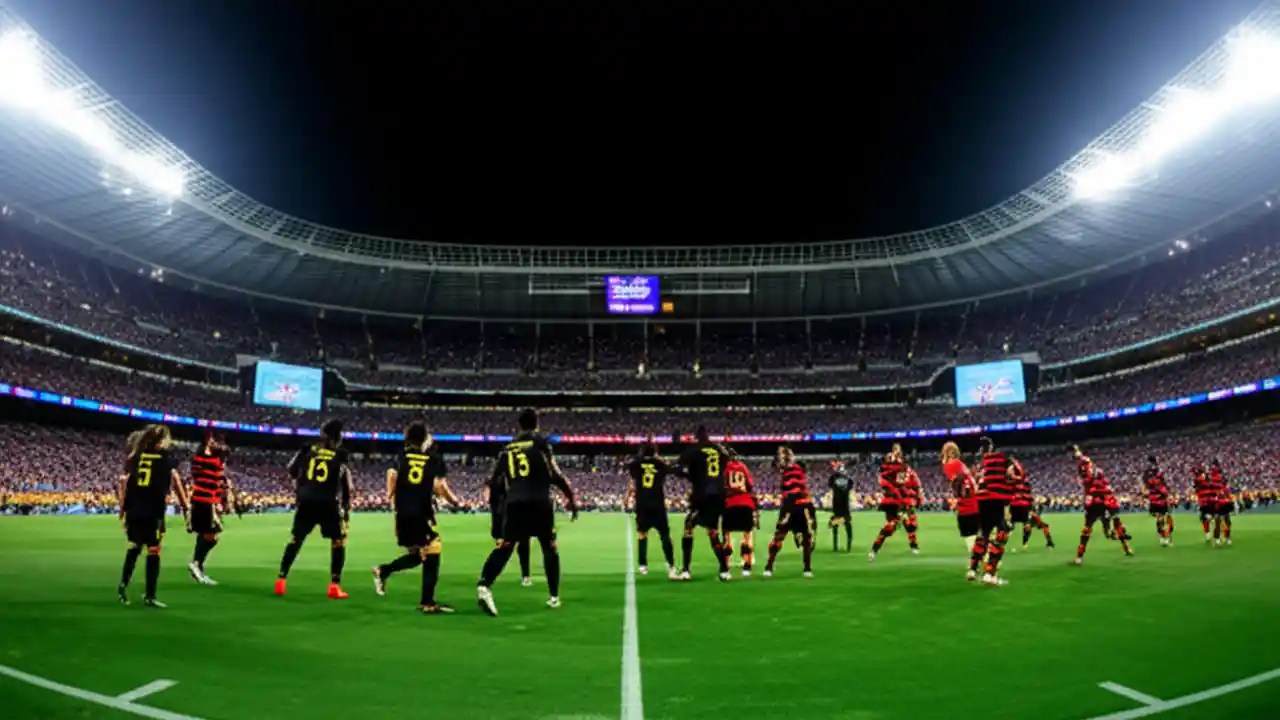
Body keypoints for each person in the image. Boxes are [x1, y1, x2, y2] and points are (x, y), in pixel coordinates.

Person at [477, 409, 578, 616]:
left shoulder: (507, 449)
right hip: (539, 501)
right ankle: (554, 596)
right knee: (549, 546)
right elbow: (555, 474)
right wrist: (571, 498)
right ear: (536, 424)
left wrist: (497, 510)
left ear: (520, 426)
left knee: (506, 546)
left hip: (514, 503)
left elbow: (495, 481)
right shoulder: (541, 444)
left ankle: (484, 585)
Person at [372, 421, 462, 614]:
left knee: (418, 555)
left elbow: (391, 474)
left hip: (403, 513)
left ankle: (383, 571)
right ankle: (427, 602)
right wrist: (454, 501)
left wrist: (391, 499)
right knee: (434, 549)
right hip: (422, 511)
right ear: (424, 439)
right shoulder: (432, 459)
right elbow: (439, 486)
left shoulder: (401, 457)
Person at [275, 419, 354, 599]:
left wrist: (303, 486)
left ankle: (281, 580)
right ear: (338, 435)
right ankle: (334, 585)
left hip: (306, 500)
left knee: (296, 539)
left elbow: (291, 470)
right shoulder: (340, 454)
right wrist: (346, 507)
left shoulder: (307, 448)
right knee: (338, 541)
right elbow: (346, 482)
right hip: (327, 502)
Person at [118, 424, 189, 608]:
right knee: (154, 550)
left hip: (134, 509)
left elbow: (127, 483)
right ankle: (150, 595)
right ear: (161, 440)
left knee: (134, 547)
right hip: (153, 510)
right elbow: (175, 481)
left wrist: (123, 509)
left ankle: (123, 586)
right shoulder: (165, 458)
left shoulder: (136, 456)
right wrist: (185, 506)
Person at [675, 426, 731, 581]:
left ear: (696, 437)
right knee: (713, 532)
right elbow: (727, 459)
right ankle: (724, 570)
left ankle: (686, 570)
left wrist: (691, 477)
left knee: (688, 526)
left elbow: (678, 468)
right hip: (719, 494)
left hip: (702, 494)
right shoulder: (718, 449)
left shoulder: (693, 449)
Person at [623, 439, 680, 580]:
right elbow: (670, 469)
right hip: (657, 503)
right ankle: (671, 565)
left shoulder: (635, 464)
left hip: (642, 504)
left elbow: (632, 478)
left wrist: (627, 497)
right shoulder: (660, 464)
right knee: (665, 535)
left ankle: (643, 565)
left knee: (642, 534)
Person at [187, 431, 236, 586]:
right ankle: (196, 563)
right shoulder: (203, 457)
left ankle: (198, 568)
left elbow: (218, 478)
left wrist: (223, 493)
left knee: (209, 534)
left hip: (209, 500)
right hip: (204, 500)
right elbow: (198, 475)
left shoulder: (218, 458)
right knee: (211, 534)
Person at [763, 447, 815, 578]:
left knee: (779, 537)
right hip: (801, 507)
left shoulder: (790, 472)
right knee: (806, 538)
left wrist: (787, 513)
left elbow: (793, 493)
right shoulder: (797, 470)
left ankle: (769, 566)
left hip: (792, 507)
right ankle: (807, 569)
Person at [969, 437, 1014, 586]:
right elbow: (1011, 474)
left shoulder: (979, 464)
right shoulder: (999, 458)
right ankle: (990, 573)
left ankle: (972, 570)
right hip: (995, 499)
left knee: (983, 534)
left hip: (981, 501)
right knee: (1002, 533)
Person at [1073, 463, 1134, 565]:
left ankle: (1079, 556)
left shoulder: (1092, 484)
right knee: (1111, 525)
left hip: (1097, 508)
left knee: (1088, 529)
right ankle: (1124, 545)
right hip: (1100, 508)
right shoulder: (1099, 484)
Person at [484, 464, 532, 587]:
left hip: (515, 511)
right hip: (504, 513)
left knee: (522, 543)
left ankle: (525, 575)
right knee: (505, 546)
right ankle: (488, 577)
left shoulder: (517, 476)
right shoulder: (497, 479)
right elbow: (490, 497)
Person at [720, 452, 759, 579]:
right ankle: (747, 567)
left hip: (730, 504)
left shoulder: (725, 468)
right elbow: (750, 485)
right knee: (747, 536)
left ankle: (725, 569)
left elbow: (723, 486)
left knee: (726, 537)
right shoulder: (743, 467)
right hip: (746, 504)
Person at [940, 442, 980, 560]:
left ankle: (978, 567)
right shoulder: (962, 465)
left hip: (965, 508)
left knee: (971, 539)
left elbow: (957, 486)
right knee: (979, 538)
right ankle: (982, 566)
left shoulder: (950, 466)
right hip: (975, 504)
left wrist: (955, 500)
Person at [1008, 452, 1054, 551]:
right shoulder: (1022, 485)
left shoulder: (1017, 484)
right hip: (1027, 509)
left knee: (1030, 525)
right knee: (1030, 525)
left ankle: (1046, 542)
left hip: (1027, 509)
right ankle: (1044, 542)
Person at [868, 444, 906, 562]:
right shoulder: (898, 466)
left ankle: (874, 550)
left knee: (891, 524)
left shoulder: (889, 467)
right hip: (893, 499)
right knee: (892, 524)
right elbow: (900, 481)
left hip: (890, 499)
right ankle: (874, 549)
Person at [1142, 455, 1174, 547]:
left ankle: (1162, 537)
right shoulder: (1158, 472)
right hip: (1160, 499)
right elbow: (1164, 483)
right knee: (1161, 518)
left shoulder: (1147, 473)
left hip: (1154, 499)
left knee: (1160, 518)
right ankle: (1163, 537)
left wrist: (1145, 495)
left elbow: (1146, 485)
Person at [827, 460, 854, 552]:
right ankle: (848, 546)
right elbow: (851, 485)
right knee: (848, 526)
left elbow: (830, 484)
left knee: (835, 527)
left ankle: (835, 546)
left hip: (837, 507)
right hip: (845, 507)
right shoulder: (848, 479)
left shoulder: (833, 478)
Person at [1211, 461, 1234, 547]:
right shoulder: (1216, 489)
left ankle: (1226, 538)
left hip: (1224, 508)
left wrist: (1228, 501)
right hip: (1218, 508)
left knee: (1227, 523)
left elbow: (1229, 498)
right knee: (1218, 523)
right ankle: (1217, 539)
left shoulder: (1225, 490)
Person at [900, 463, 922, 553]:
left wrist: (918, 500)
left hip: (908, 503)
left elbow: (917, 487)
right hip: (899, 503)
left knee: (911, 525)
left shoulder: (912, 474)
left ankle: (913, 545)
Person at [1192, 464, 1216, 543]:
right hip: (1209, 499)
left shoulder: (1199, 480)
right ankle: (1210, 519)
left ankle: (1208, 532)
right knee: (1205, 517)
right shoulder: (1207, 479)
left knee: (1204, 517)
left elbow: (1196, 485)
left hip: (1204, 500)